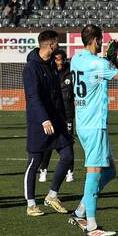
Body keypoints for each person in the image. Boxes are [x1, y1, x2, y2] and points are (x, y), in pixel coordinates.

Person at [67, 24, 118, 236]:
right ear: (97, 40)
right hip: (94, 123)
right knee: (95, 172)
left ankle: (81, 210)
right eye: (101, 40)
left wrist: (108, 59)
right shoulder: (97, 63)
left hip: (84, 122)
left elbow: (96, 72)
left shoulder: (77, 58)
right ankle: (91, 225)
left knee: (109, 171)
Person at [23, 29, 73, 217]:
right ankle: (30, 204)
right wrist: (44, 119)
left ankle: (52, 195)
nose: (59, 46)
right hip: (39, 122)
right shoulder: (31, 67)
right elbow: (33, 97)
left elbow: (58, 95)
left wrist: (64, 117)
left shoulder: (52, 65)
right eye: (57, 43)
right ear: (51, 44)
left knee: (68, 155)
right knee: (34, 162)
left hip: (58, 121)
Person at [37, 49, 76, 184]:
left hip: (68, 114)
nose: (59, 62)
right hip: (52, 114)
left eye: (61, 59)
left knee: (69, 143)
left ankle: (70, 172)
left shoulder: (71, 73)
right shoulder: (49, 71)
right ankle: (43, 170)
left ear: (65, 59)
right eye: (57, 59)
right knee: (49, 143)